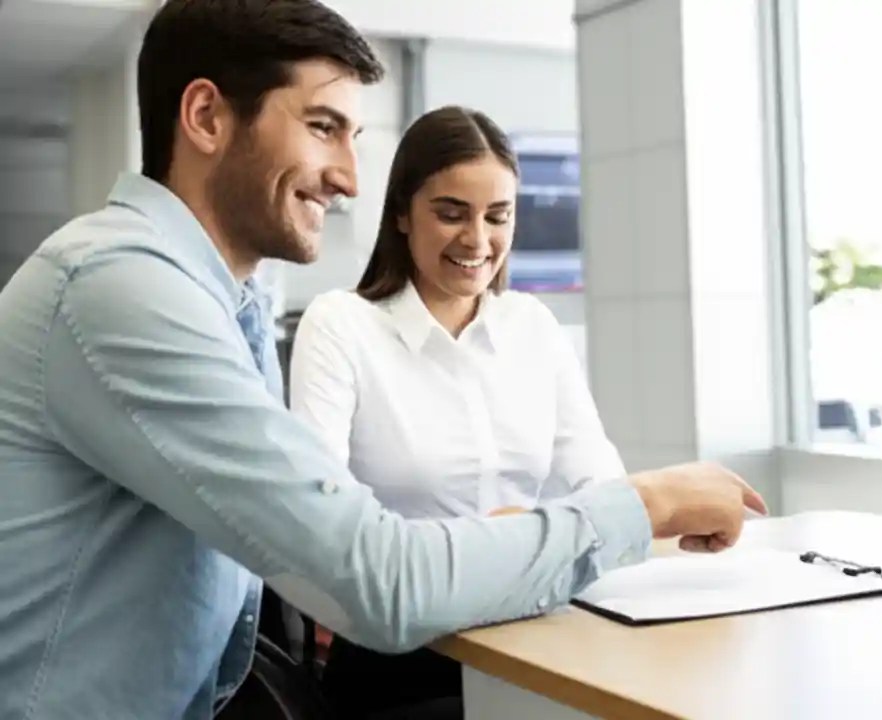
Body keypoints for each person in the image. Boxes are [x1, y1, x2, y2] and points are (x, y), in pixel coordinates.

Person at [0, 2, 766, 718]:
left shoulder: (224, 298)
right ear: (205, 117)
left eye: (353, 140)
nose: (349, 179)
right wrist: (648, 504)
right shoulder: (121, 287)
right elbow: (377, 580)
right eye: (322, 127)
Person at [285, 104, 627, 715]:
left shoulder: (533, 327)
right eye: (451, 214)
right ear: (400, 214)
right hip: (400, 654)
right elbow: (322, 525)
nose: (478, 240)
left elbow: (600, 481)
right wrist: (505, 538)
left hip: (531, 631)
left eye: (498, 217)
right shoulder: (342, 326)